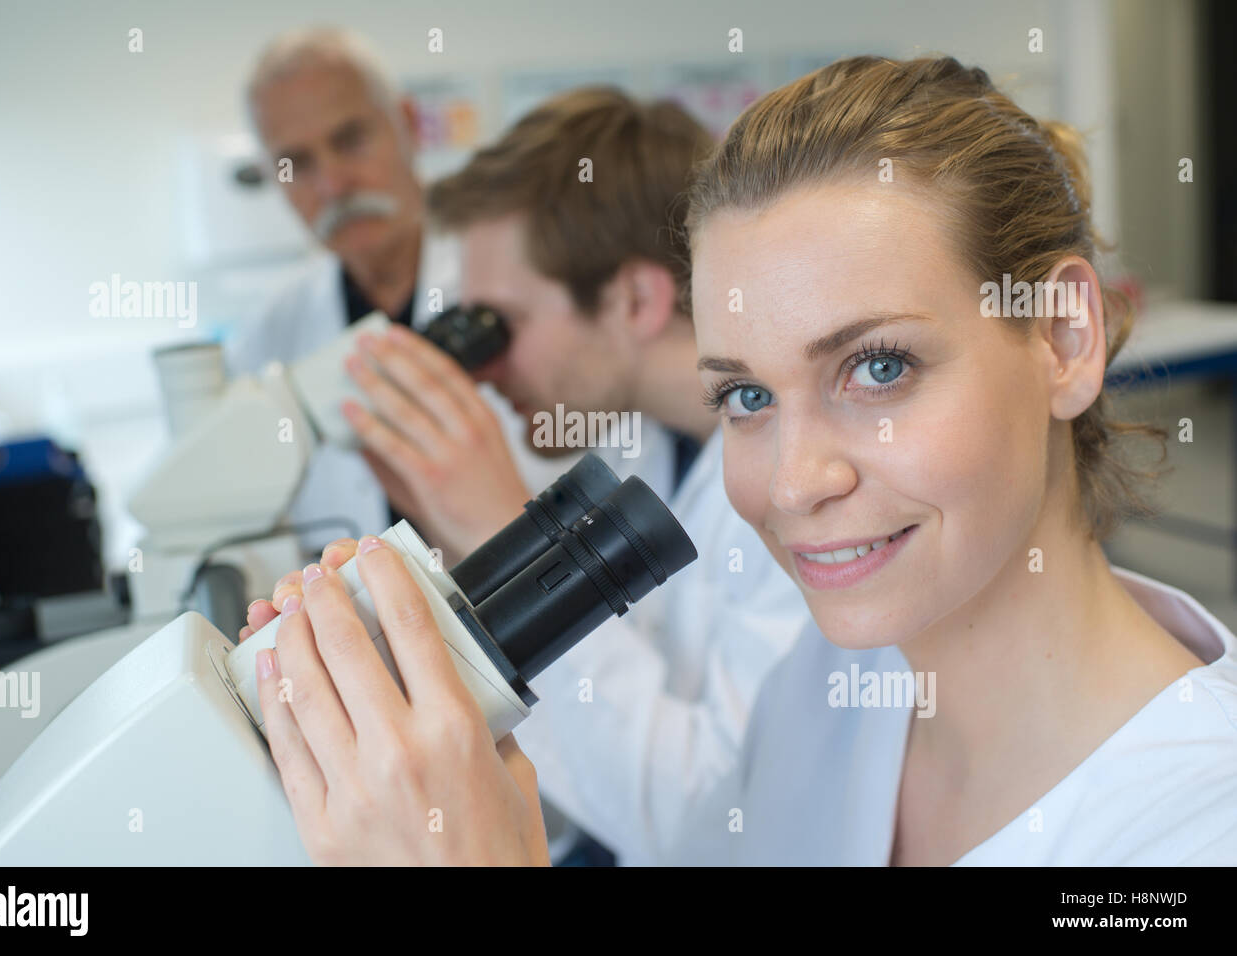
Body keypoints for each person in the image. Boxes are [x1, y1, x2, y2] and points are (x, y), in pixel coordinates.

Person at [241, 55, 1237, 866]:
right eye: (746, 397)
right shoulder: (828, 686)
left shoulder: (1197, 821)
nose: (793, 482)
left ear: (1062, 337)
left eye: (877, 366)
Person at [241, 88, 811, 865]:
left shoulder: (799, 491)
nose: (488, 365)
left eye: (502, 323)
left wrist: (494, 520)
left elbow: (713, 819)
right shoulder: (660, 445)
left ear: (635, 298)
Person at [227, 27, 573, 556]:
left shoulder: (524, 276)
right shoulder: (268, 336)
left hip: (545, 598)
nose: (333, 185)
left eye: (350, 140)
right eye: (297, 163)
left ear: (408, 125)